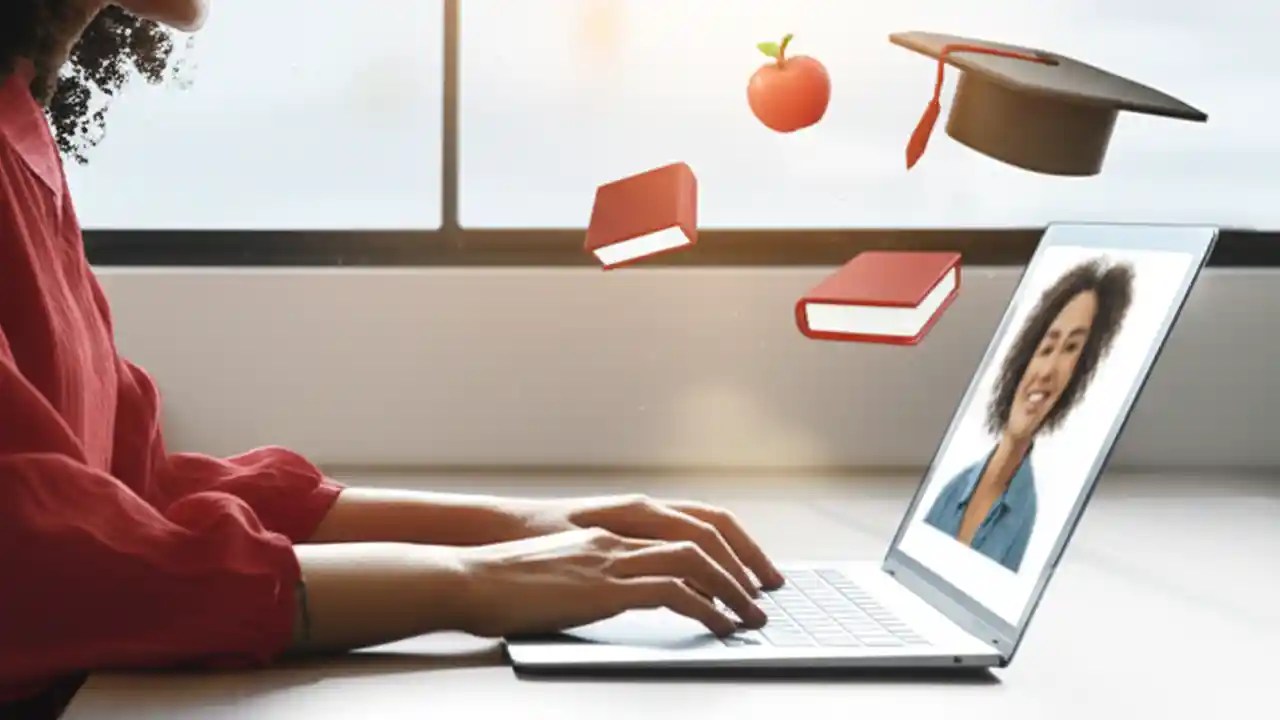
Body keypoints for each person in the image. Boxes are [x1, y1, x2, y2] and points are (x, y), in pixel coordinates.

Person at [0, 3, 784, 716]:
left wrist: (520, 528)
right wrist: (476, 584)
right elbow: (32, 561)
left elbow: (134, 490)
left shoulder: (18, 127)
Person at [923, 257, 1134, 572]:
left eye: (1071, 349)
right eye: (1046, 348)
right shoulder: (953, 488)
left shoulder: (1031, 516)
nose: (1047, 371)